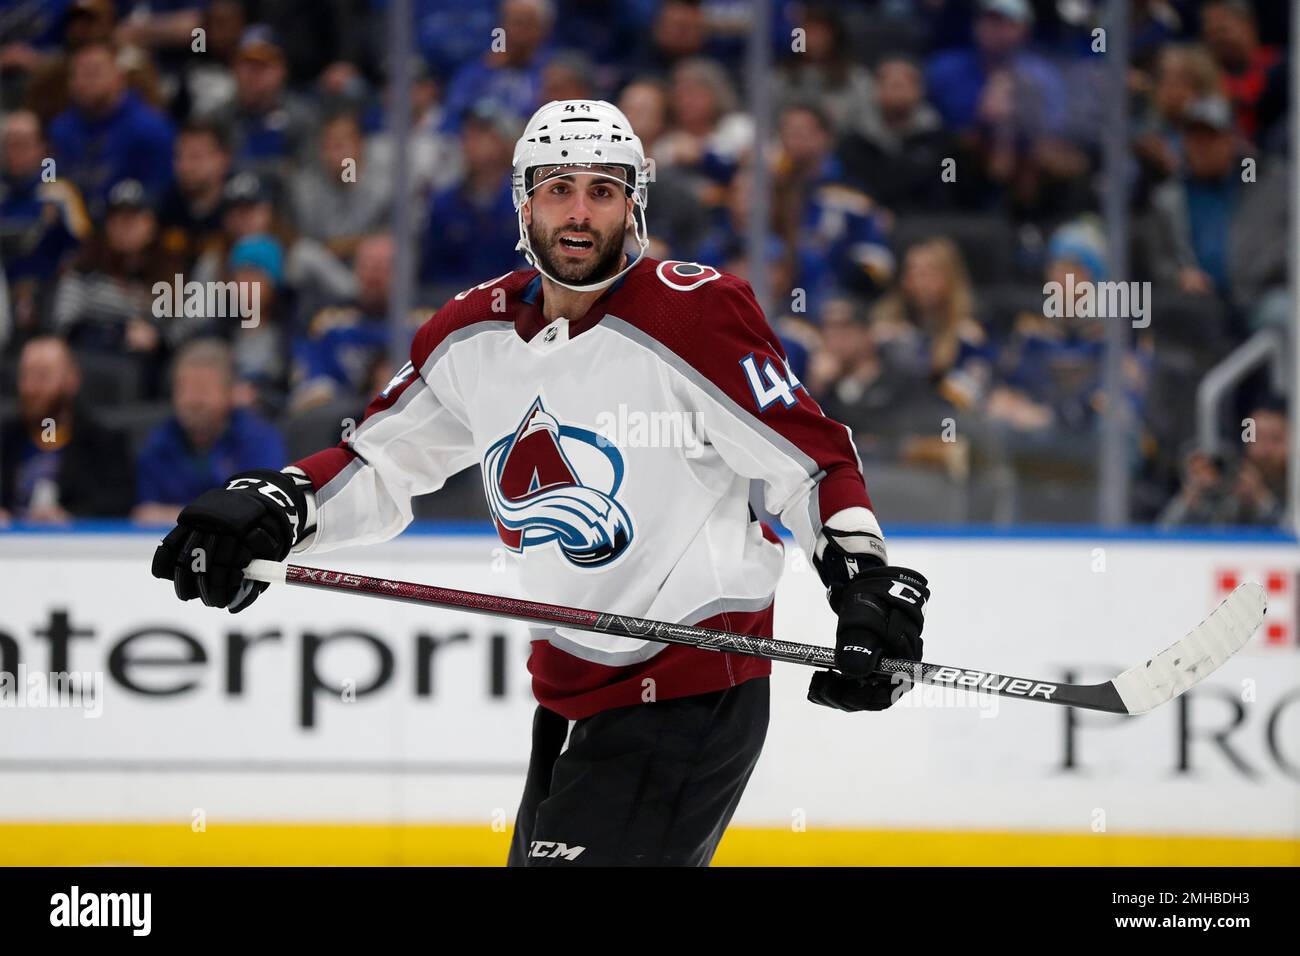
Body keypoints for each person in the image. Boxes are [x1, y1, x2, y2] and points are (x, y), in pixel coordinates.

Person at [149, 99, 931, 867]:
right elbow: (380, 461)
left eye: (603, 190)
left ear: (635, 204)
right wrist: (282, 506)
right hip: (567, 697)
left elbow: (809, 459)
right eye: (559, 189)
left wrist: (862, 583)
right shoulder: (472, 334)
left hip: (690, 689)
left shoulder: (696, 314)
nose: (581, 214)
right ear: (524, 202)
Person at [133, 338, 286, 525]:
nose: (192, 400)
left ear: (229, 394)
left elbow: (262, 510)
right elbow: (146, 514)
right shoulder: (158, 443)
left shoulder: (259, 440)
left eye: (202, 390)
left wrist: (181, 515)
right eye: (183, 389)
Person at [0, 335, 134, 522]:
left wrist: (70, 518)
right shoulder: (7, 437)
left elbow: (120, 502)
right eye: (25, 375)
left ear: (72, 380)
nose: (31, 387)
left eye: (43, 376)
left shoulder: (103, 442)